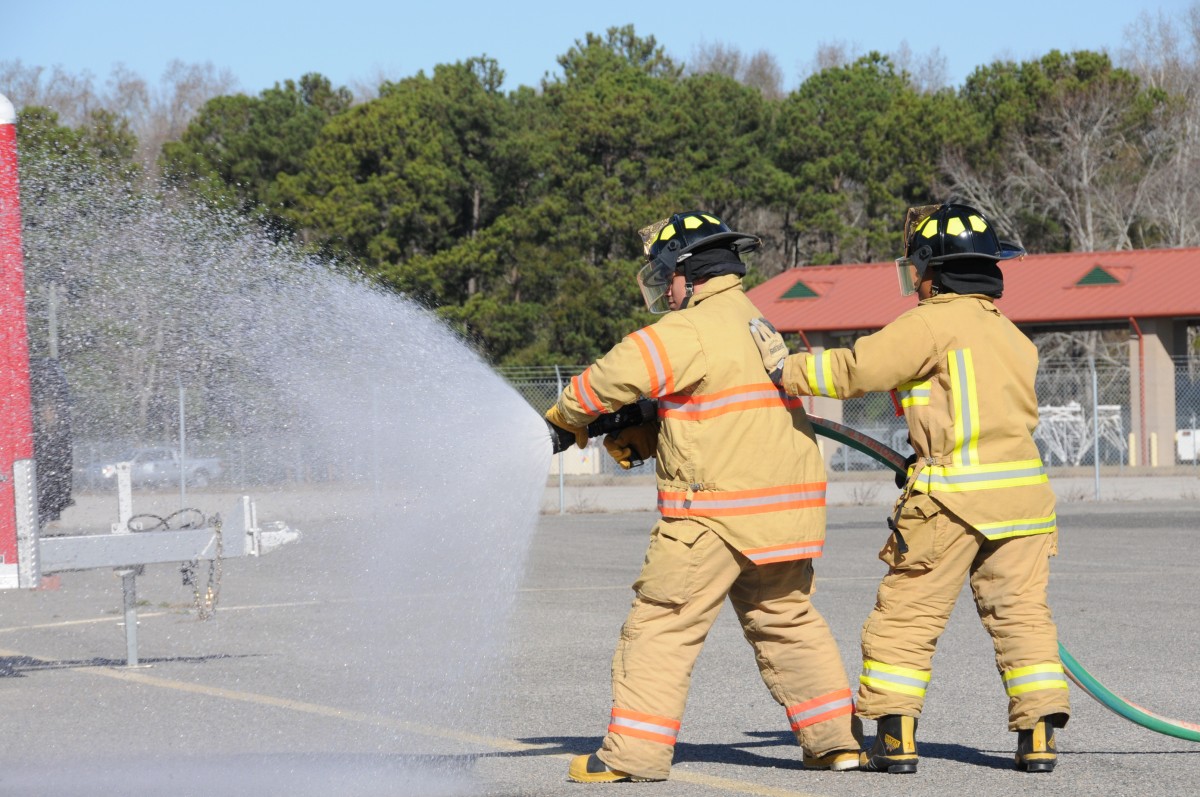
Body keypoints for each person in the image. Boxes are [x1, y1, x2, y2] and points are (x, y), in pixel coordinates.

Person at [749, 202, 1070, 774]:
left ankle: (896, 740)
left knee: (907, 617)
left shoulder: (931, 322)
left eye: (915, 268)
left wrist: (784, 369)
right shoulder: (1013, 336)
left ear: (932, 267)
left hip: (949, 501)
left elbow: (854, 370)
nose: (913, 282)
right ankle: (1039, 740)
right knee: (1022, 618)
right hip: (1025, 501)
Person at [545, 211, 862, 783]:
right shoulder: (754, 321)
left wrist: (564, 419)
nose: (664, 288)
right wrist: (656, 420)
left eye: (667, 275)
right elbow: (721, 401)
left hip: (714, 512)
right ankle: (836, 743)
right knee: (786, 620)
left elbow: (609, 379)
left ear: (689, 273)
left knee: (662, 624)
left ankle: (634, 754)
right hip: (784, 512)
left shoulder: (688, 329)